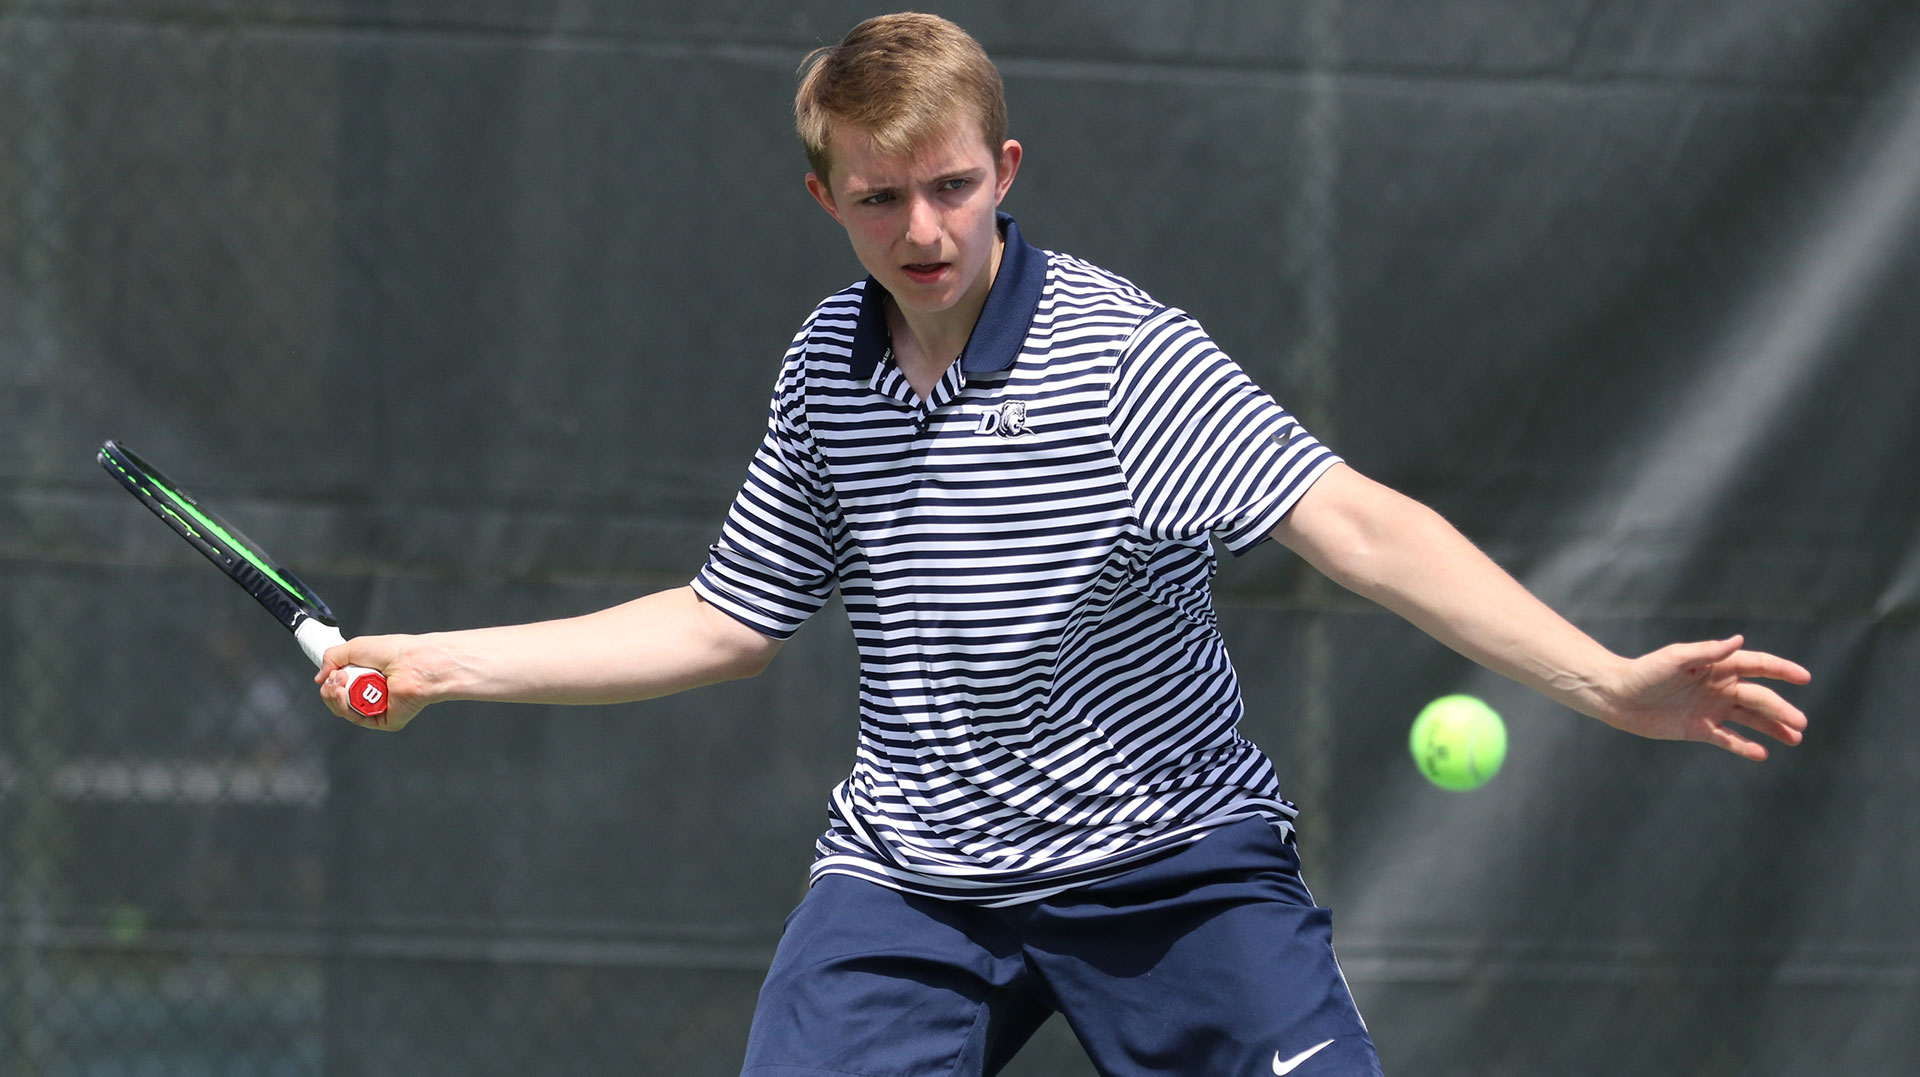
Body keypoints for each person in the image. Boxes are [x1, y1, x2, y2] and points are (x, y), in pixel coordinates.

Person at [318, 13, 1811, 1075]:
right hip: (913, 881)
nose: (924, 228)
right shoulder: (823, 369)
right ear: (825, 193)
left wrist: (1608, 683)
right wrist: (442, 661)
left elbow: (1353, 518)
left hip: (1171, 866)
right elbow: (728, 616)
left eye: (952, 185)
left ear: (1006, 168)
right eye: (882, 194)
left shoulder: (1116, 360)